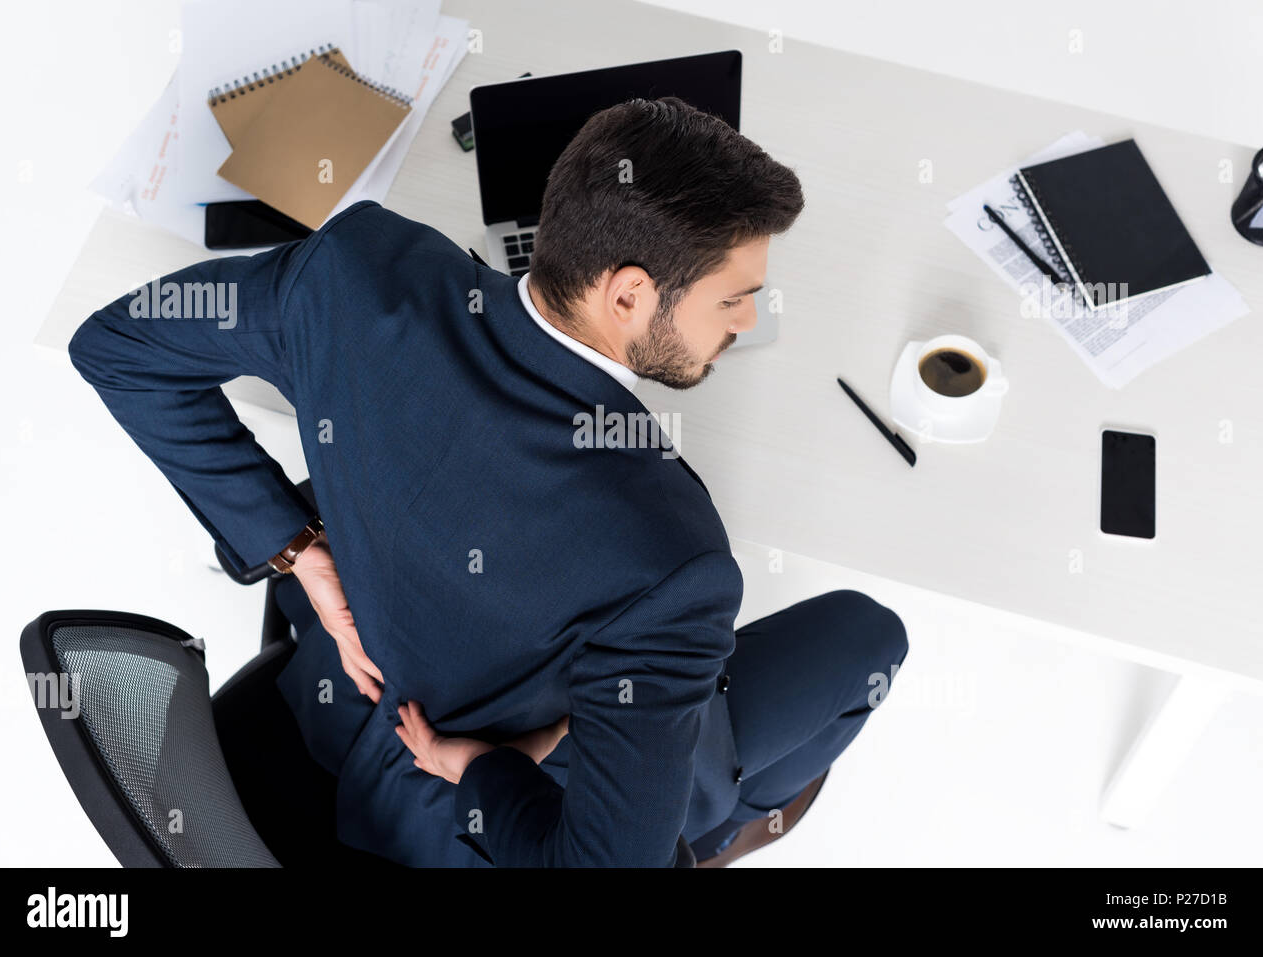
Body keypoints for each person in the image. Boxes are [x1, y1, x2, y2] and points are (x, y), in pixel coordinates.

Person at [68, 96, 908, 867]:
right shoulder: (672, 560)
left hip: (321, 702)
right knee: (869, 637)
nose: (749, 320)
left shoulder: (358, 274)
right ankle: (717, 830)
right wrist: (489, 771)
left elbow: (119, 348)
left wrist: (295, 552)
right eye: (734, 298)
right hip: (457, 809)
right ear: (628, 294)